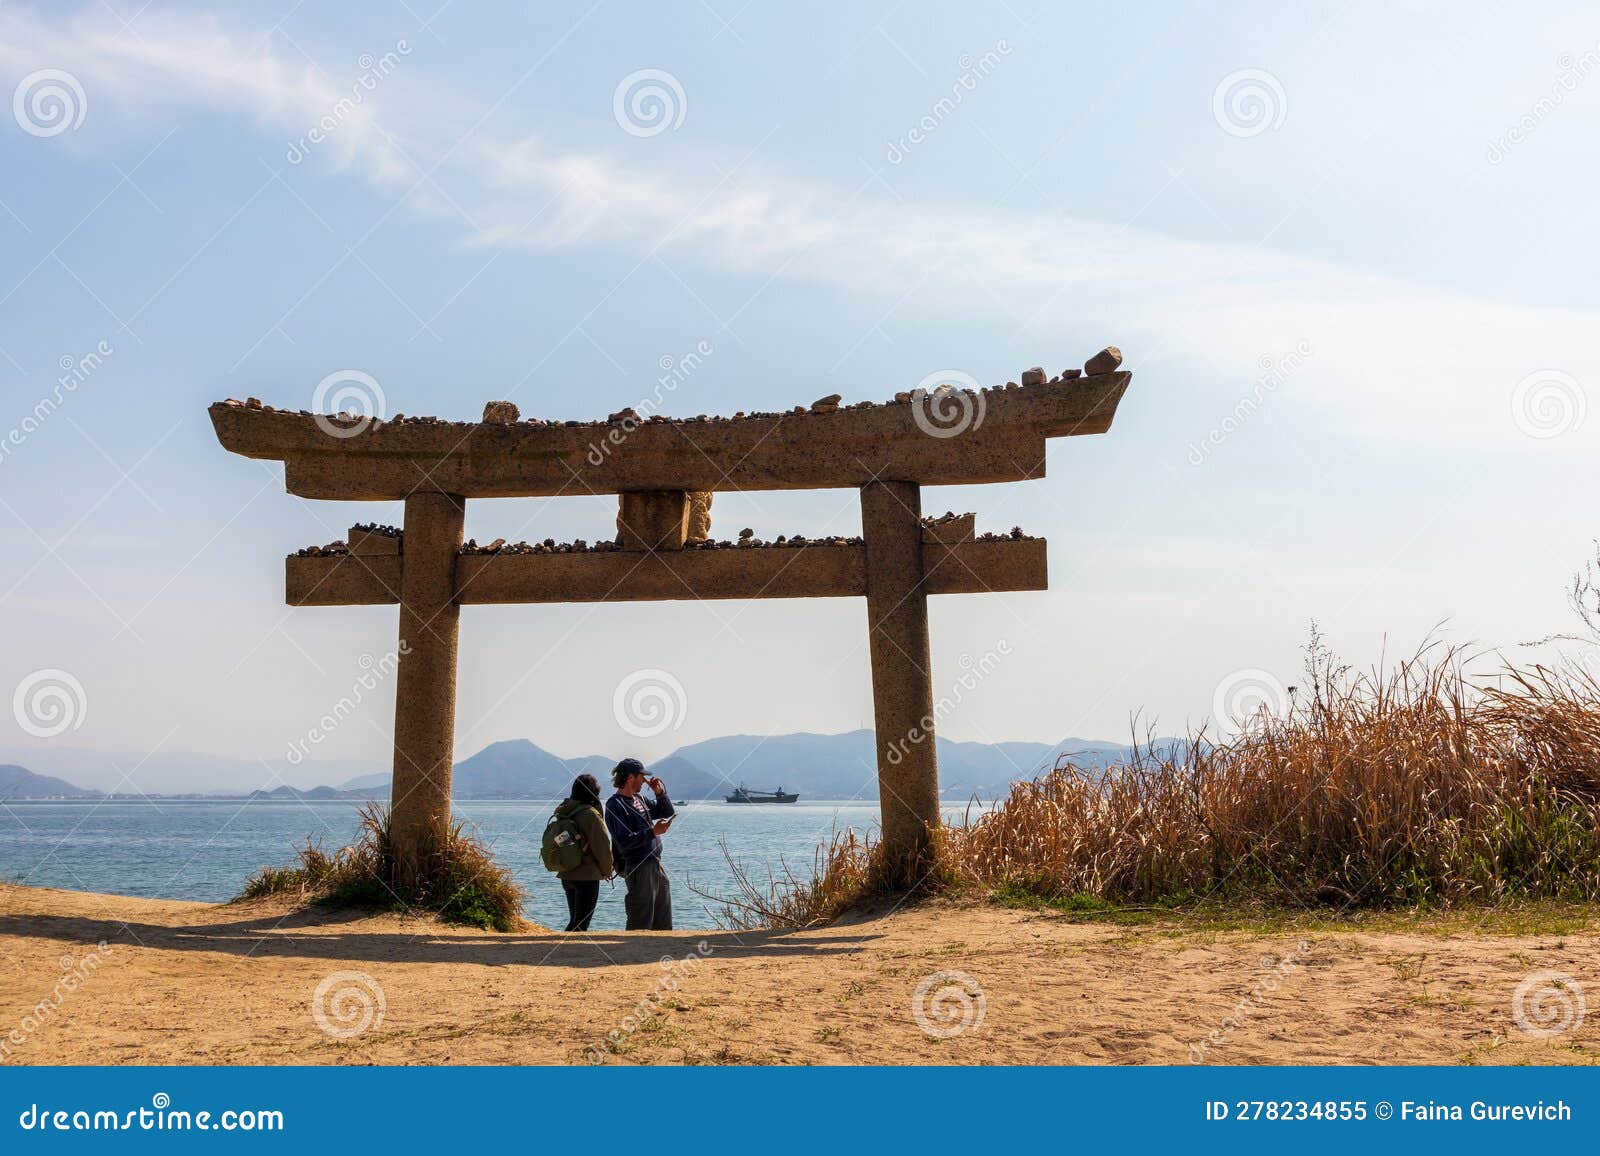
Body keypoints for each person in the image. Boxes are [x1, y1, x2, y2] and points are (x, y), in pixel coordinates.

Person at [603, 757, 675, 930]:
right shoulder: (615, 805)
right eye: (641, 777)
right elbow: (624, 841)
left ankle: (659, 953)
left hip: (656, 863)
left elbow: (666, 811)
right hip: (638, 866)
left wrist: (659, 793)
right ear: (630, 778)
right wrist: (652, 832)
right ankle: (632, 954)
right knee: (641, 919)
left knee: (663, 918)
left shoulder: (640, 799)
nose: (644, 781)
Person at [553, 774, 613, 932]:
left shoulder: (564, 811)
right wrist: (607, 870)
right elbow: (602, 846)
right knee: (581, 925)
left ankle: (562, 950)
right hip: (586, 875)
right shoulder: (590, 815)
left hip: (567, 873)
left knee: (575, 921)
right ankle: (566, 952)